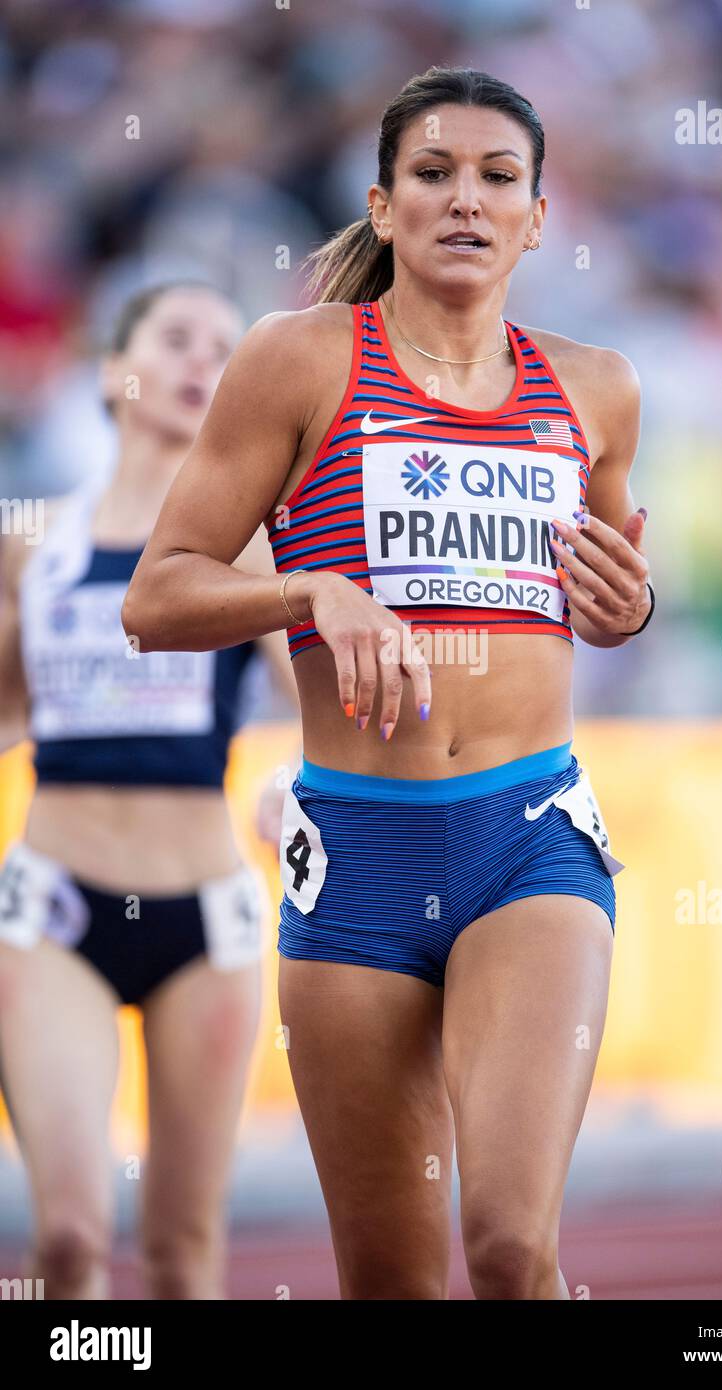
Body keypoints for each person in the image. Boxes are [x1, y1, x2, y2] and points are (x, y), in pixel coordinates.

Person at [122, 67, 654, 1301]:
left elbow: (617, 592)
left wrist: (630, 611)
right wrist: (307, 591)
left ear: (537, 218)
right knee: (392, 1283)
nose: (465, 199)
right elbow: (156, 598)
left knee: (511, 1247)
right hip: (356, 855)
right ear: (382, 203)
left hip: (528, 837)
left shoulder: (596, 387)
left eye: (497, 178)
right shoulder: (297, 360)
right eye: (433, 173)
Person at [0, 281, 298, 1300]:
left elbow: (324, 716)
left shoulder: (250, 547)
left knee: (181, 1252)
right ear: (112, 372)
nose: (202, 362)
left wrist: (292, 784)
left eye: (224, 347)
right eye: (176, 338)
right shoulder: (33, 545)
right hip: (54, 912)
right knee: (70, 1238)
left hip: (204, 922)